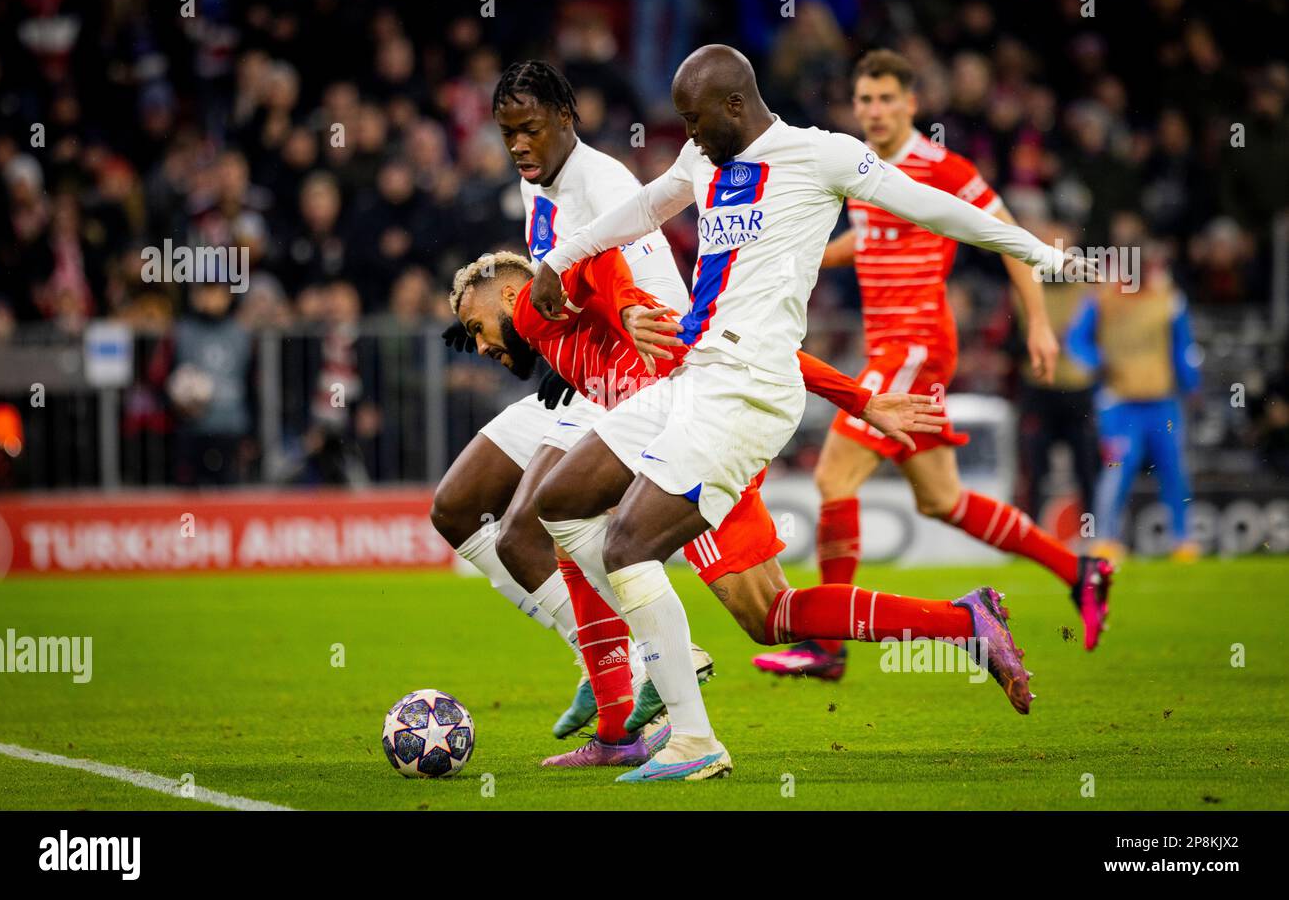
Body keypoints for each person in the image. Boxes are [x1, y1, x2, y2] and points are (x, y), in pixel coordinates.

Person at [526, 44, 1077, 781]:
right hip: (691, 380)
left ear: (733, 106)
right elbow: (645, 207)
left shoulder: (821, 156)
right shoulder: (701, 158)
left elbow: (936, 207)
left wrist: (1031, 250)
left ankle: (693, 737)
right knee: (561, 503)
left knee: (630, 549)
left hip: (748, 391)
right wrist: (559, 262)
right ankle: (672, 645)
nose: (685, 134)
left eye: (694, 118)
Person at [451, 247, 1033, 770]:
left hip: (700, 451)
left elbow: (753, 354)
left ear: (512, 296)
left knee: (582, 522)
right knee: (769, 615)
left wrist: (860, 401)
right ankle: (964, 623)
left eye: (477, 327)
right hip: (684, 453)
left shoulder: (619, 317)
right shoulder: (568, 347)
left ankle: (658, 704)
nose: (478, 346)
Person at [754, 49, 1114, 676]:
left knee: (834, 478)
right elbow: (866, 238)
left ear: (911, 104)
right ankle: (1081, 570)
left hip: (915, 346)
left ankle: (828, 645)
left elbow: (1009, 239)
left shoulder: (942, 167)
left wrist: (1039, 328)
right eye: (865, 99)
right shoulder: (857, 166)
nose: (875, 110)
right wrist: (801, 262)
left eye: (887, 98)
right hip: (892, 350)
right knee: (942, 499)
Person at [428, 61, 700, 740]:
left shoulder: (603, 183)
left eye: (529, 129)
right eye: (507, 133)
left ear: (565, 119)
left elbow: (639, 295)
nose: (517, 144)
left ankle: (653, 664)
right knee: (456, 508)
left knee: (532, 525)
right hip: (579, 378)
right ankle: (603, 658)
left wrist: (603, 340)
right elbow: (561, 284)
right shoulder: (534, 189)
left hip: (634, 377)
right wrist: (524, 338)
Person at [1067, 252, 1202, 563]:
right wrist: (1097, 363)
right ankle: (1106, 539)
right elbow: (1077, 340)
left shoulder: (1168, 299)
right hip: (1119, 402)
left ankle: (1183, 540)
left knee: (1174, 470)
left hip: (1161, 400)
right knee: (1117, 469)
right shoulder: (1102, 298)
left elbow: (1182, 345)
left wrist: (1190, 383)